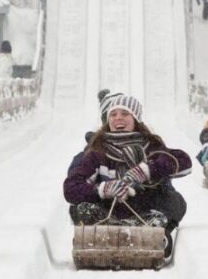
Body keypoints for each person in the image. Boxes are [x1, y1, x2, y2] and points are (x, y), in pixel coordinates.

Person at [63, 93, 191, 255]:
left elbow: (183, 162)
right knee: (80, 207)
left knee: (175, 201)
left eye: (125, 114)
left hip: (145, 210)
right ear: (107, 120)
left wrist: (146, 171)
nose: (118, 119)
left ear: (136, 119)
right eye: (113, 115)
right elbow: (71, 188)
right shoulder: (97, 151)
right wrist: (103, 189)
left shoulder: (150, 146)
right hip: (107, 212)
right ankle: (104, 229)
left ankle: (154, 231)